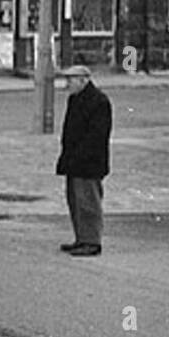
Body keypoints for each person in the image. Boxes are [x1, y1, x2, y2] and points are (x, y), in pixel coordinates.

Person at [56, 64, 112, 257]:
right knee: (75, 201)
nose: (68, 84)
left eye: (71, 80)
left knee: (88, 202)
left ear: (83, 80)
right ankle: (81, 238)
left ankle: (91, 241)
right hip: (74, 160)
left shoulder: (99, 101)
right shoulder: (75, 99)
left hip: (89, 162)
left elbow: (97, 135)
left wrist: (80, 155)